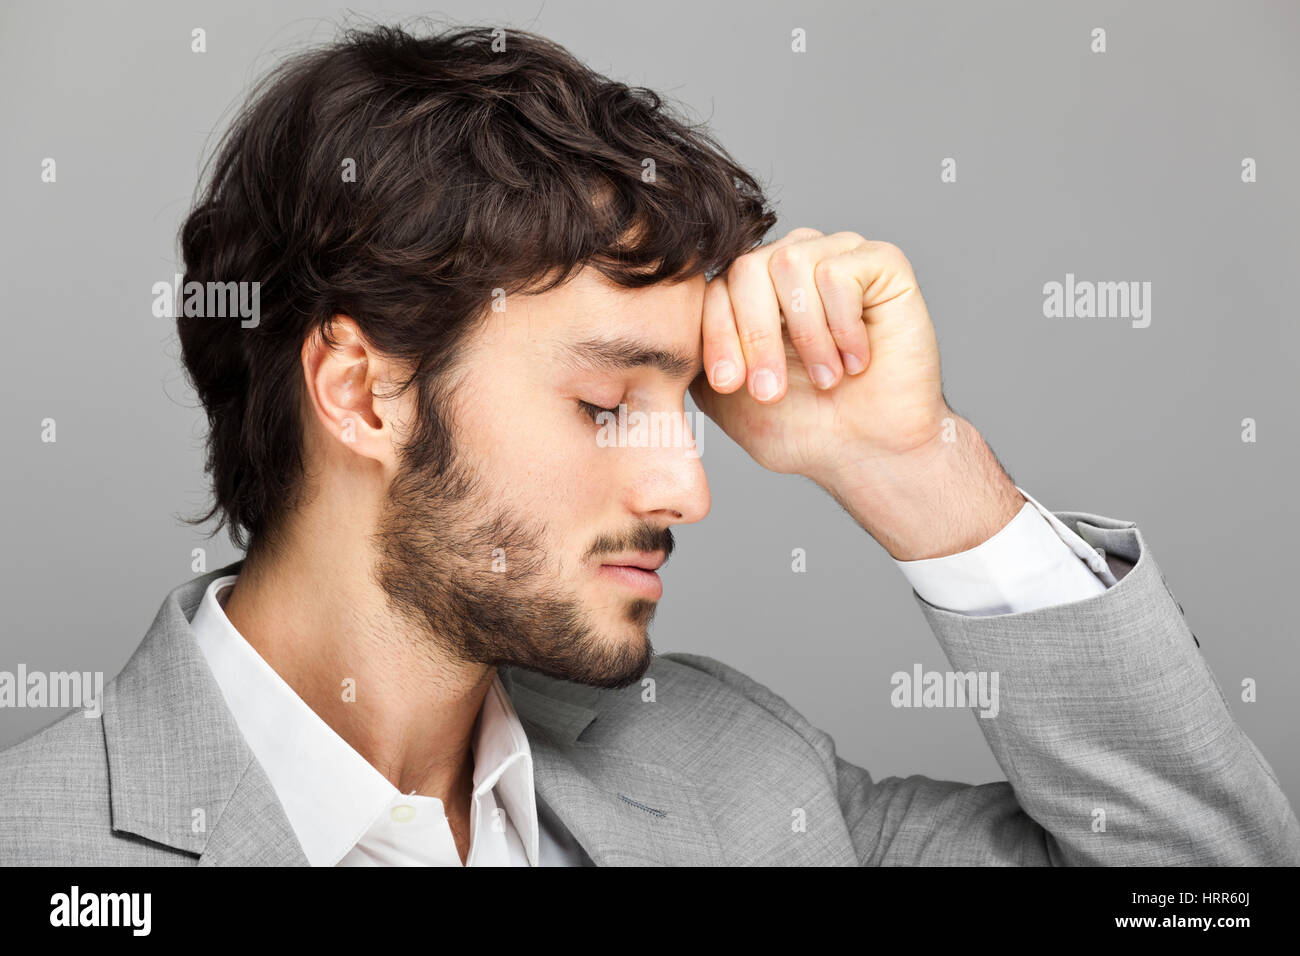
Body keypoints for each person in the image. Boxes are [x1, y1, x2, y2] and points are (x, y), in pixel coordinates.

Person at [2, 24, 1295, 866]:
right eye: (610, 401)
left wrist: (909, 467)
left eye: (691, 403)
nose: (687, 485)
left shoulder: (742, 778)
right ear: (362, 392)